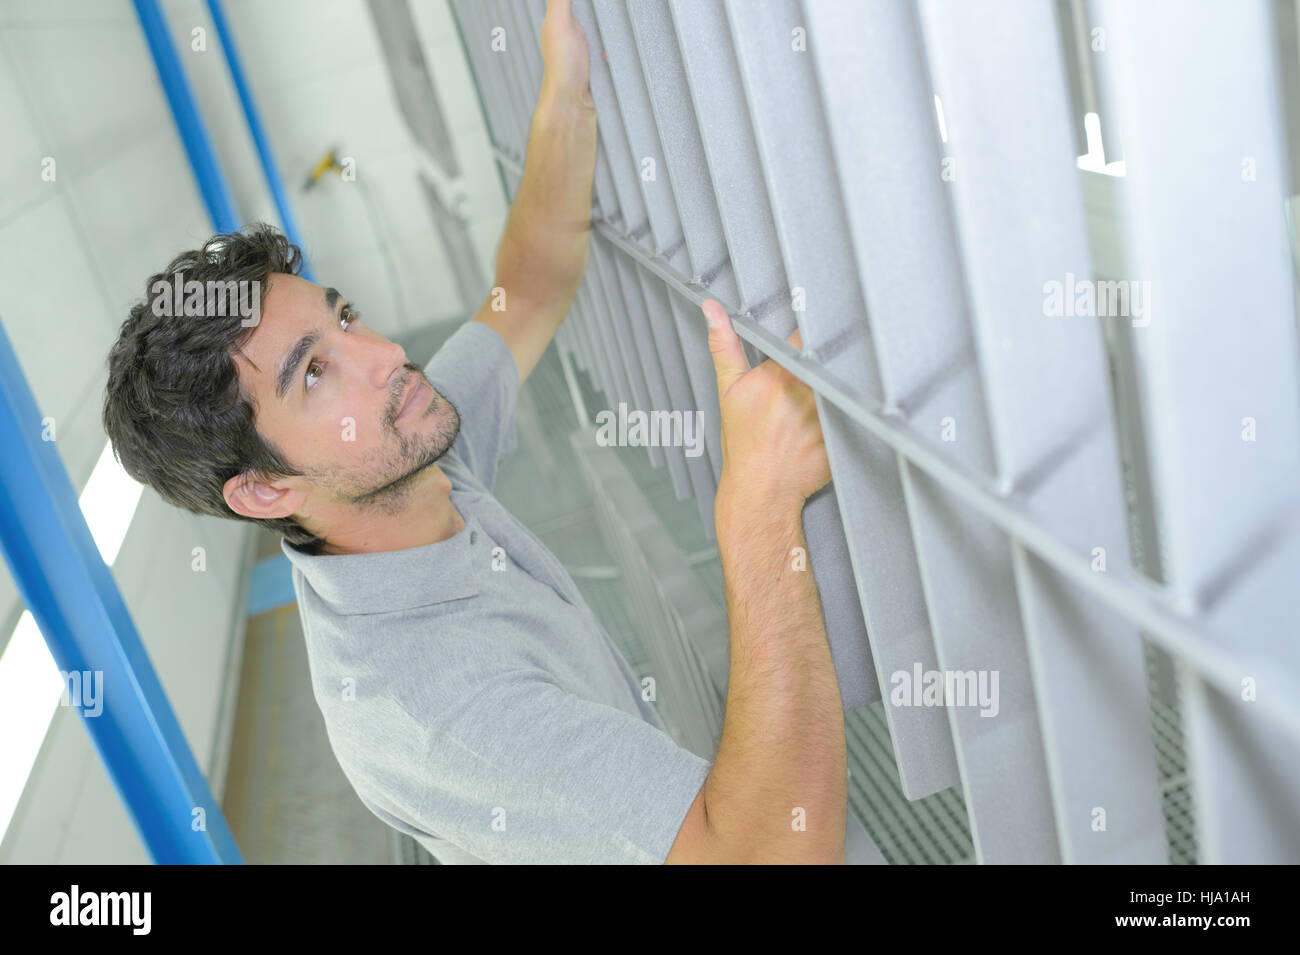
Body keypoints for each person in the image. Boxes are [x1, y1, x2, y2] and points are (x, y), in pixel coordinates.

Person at [101, 0, 844, 864]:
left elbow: (525, 286)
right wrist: (757, 513)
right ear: (266, 490)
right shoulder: (440, 712)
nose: (384, 355)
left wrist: (565, 88)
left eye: (346, 320)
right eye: (314, 372)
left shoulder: (396, 471)